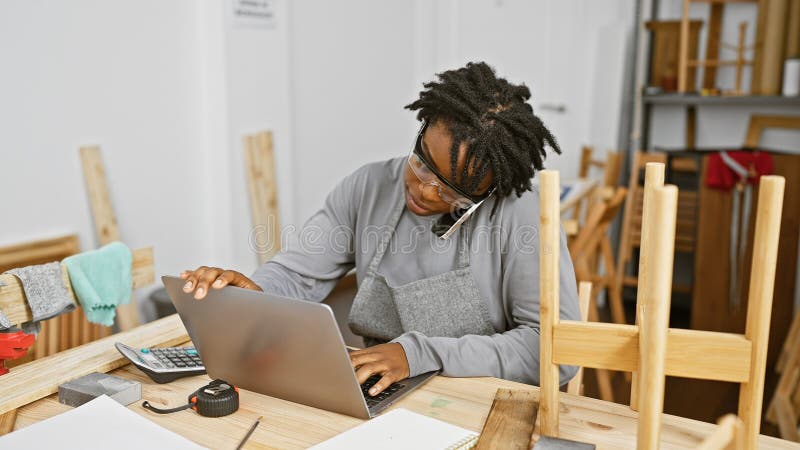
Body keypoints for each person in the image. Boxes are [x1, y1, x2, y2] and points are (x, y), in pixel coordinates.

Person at [181, 61, 580, 398]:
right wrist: (256, 293)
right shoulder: (368, 187)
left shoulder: (524, 215)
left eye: (451, 191)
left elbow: (553, 351)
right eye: (422, 162)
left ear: (486, 192)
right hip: (379, 392)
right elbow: (297, 275)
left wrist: (417, 354)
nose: (423, 190)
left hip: (481, 398)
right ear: (421, 132)